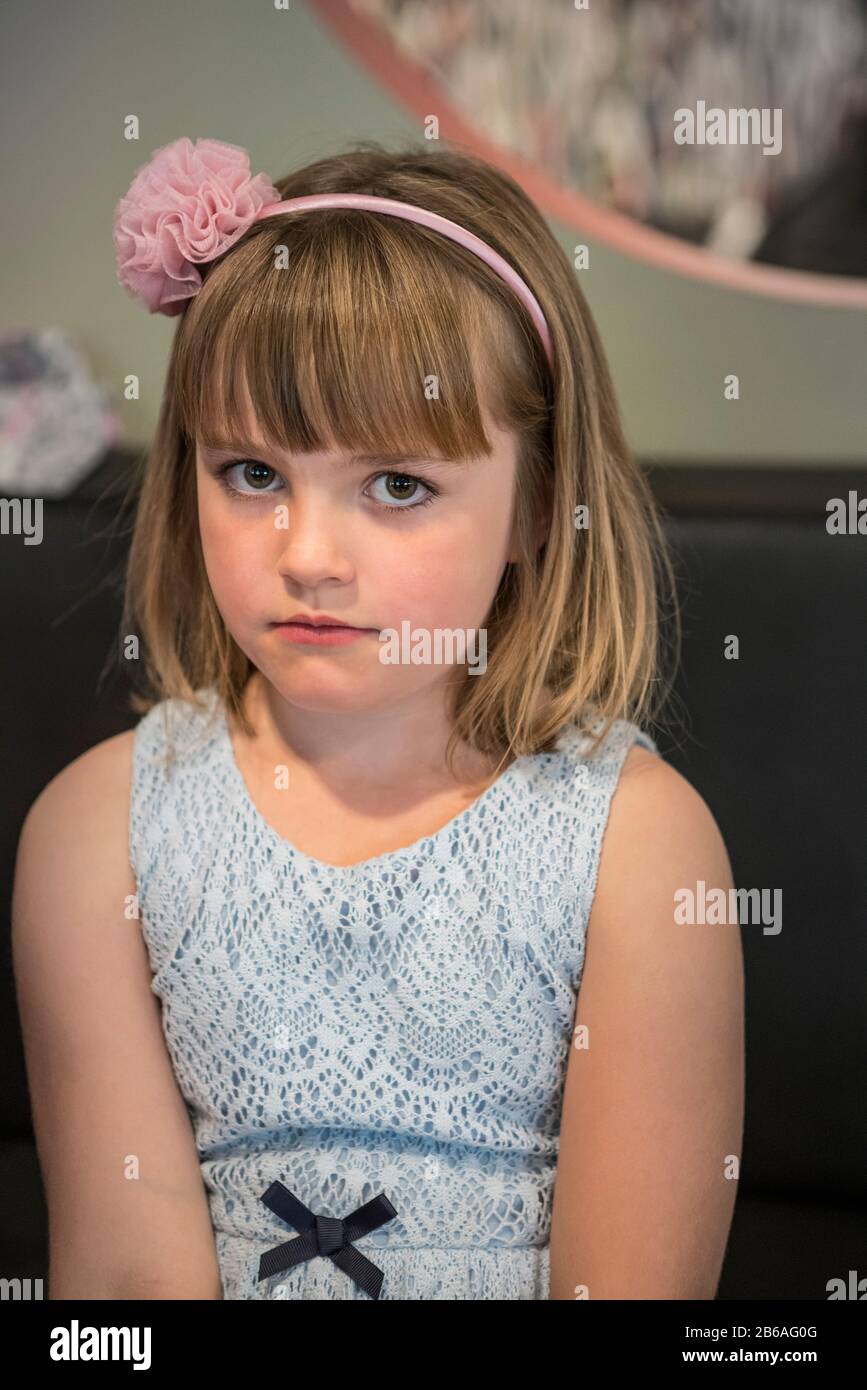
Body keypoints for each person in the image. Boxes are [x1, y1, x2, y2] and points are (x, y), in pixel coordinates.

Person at [12, 136, 743, 1300]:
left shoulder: (639, 850)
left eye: (398, 486)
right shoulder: (94, 835)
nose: (306, 556)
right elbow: (122, 1293)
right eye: (251, 472)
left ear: (538, 505)